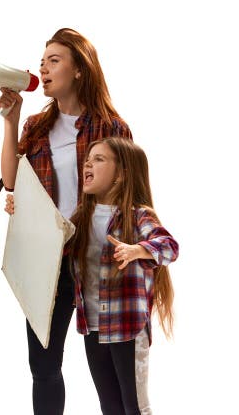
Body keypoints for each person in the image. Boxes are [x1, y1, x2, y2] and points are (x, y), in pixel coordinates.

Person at [0, 28, 132, 414]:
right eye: (42, 61)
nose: (44, 67)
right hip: (48, 261)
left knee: (106, 366)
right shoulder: (36, 127)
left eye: (54, 60)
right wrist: (11, 119)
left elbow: (129, 199)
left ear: (79, 70)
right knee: (43, 364)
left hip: (96, 260)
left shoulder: (112, 129)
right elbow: (11, 181)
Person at [70, 137, 178, 414]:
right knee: (109, 404)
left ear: (121, 174)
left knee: (135, 405)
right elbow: (50, 240)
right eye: (88, 159)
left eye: (99, 159)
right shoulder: (81, 217)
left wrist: (136, 250)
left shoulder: (138, 215)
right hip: (92, 325)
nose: (88, 163)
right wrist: (18, 209)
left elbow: (169, 246)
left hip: (126, 325)